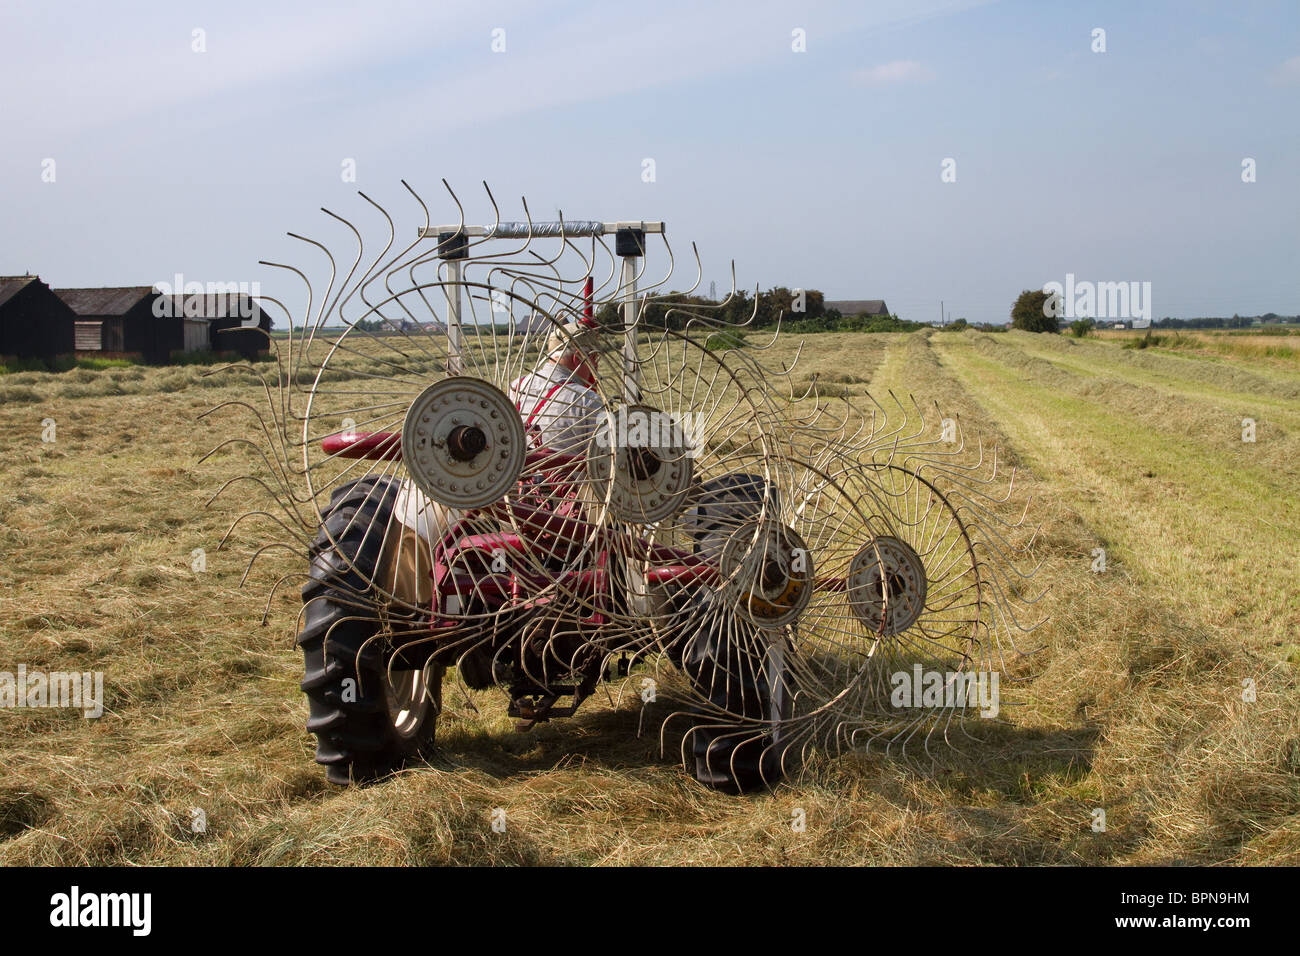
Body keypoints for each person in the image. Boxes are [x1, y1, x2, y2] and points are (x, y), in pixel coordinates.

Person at [508, 319, 605, 455]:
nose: (595, 366)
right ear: (578, 358)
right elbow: (605, 461)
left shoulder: (517, 386)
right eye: (593, 358)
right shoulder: (586, 400)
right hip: (574, 476)